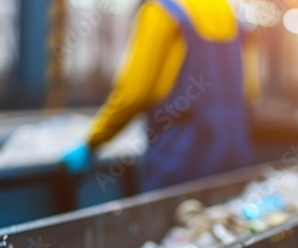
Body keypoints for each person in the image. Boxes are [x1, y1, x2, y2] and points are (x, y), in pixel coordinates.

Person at [61, 0, 256, 193]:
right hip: (233, 155)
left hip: (180, 159)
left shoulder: (163, 12)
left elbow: (133, 94)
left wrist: (93, 141)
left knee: (173, 220)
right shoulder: (230, 14)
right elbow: (251, 90)